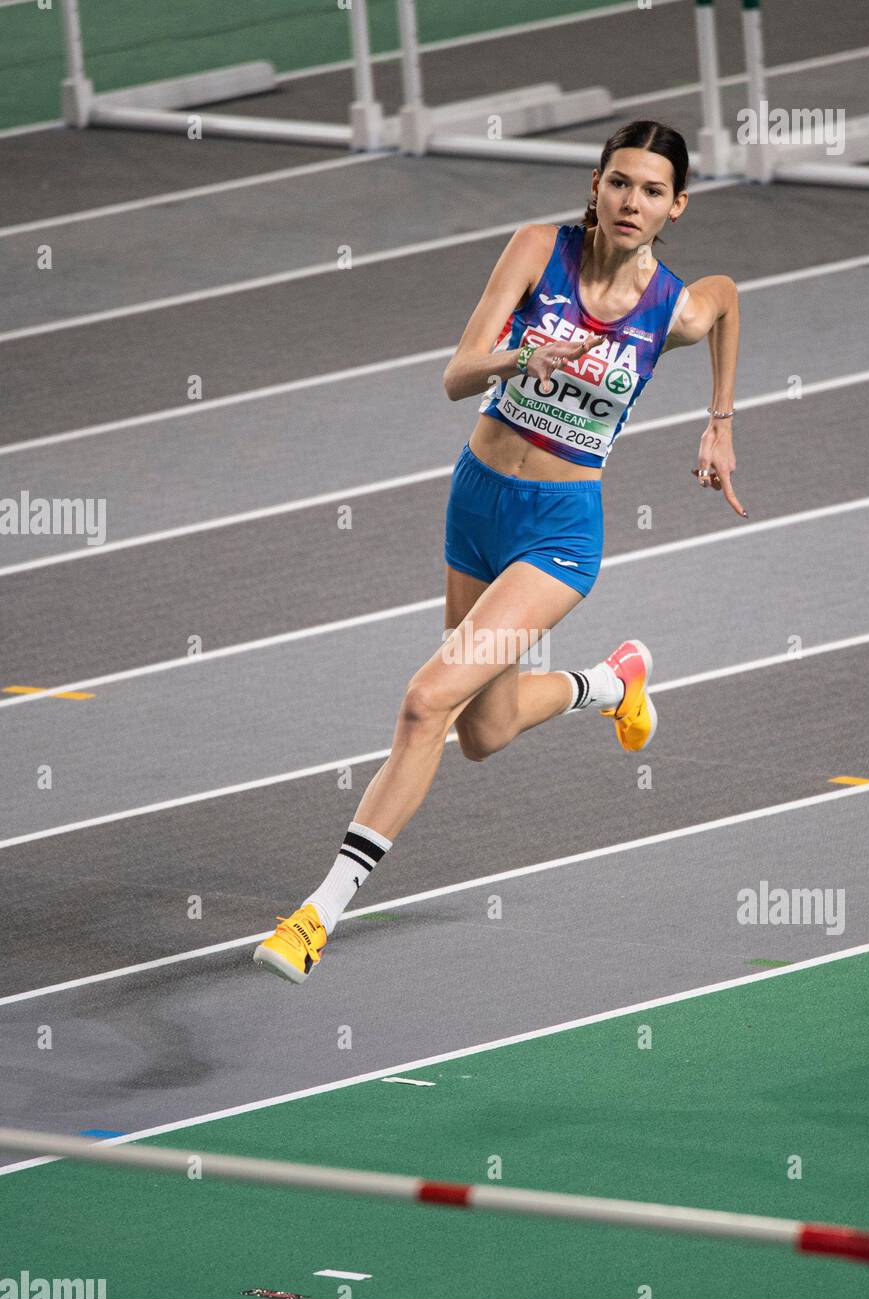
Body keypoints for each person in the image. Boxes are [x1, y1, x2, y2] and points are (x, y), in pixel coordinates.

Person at [254, 118, 745, 984]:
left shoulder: (673, 305)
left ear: (678, 206)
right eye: (620, 182)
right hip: (476, 502)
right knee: (483, 730)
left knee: (425, 702)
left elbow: (730, 295)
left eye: (653, 191)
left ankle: (314, 915)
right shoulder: (536, 249)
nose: (633, 202)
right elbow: (455, 375)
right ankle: (609, 682)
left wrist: (720, 422)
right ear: (595, 184)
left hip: (559, 532)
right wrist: (521, 356)